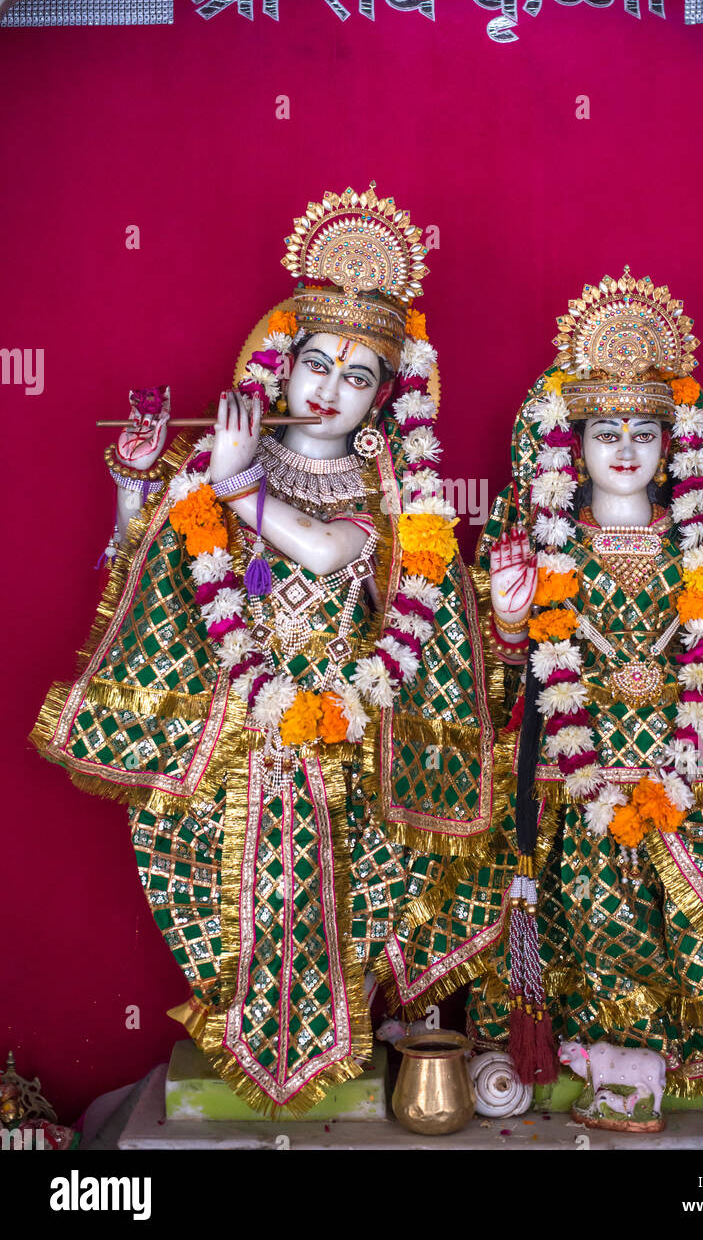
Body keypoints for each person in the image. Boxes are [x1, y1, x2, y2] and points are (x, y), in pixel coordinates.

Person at [30, 184, 509, 1116]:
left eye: (356, 376)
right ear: (280, 370)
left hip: (345, 729)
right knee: (222, 902)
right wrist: (138, 488)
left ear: (384, 399)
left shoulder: (389, 486)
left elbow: (332, 551)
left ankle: (341, 1055)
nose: (326, 390)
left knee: (339, 908)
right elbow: (144, 568)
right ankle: (242, 1056)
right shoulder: (219, 465)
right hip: (235, 729)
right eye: (314, 364)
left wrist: (236, 488)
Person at [389, 267, 703, 1108]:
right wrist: (503, 619)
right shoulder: (535, 539)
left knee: (698, 900)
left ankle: (681, 1070)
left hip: (684, 770)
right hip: (570, 767)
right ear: (570, 441)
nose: (625, 449)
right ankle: (568, 1062)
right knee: (573, 914)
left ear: (675, 444)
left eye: (646, 430)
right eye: (604, 428)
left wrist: (686, 768)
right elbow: (495, 676)